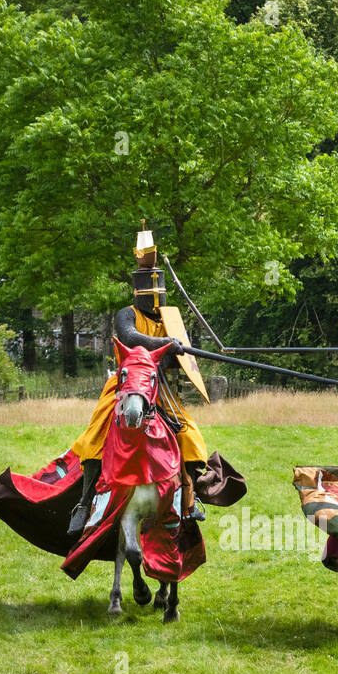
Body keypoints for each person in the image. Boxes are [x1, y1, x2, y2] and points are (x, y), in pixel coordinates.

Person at [67, 229, 211, 538]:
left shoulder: (170, 318)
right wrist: (164, 342)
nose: (154, 297)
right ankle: (84, 503)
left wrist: (177, 348)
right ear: (139, 291)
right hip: (128, 386)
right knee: (97, 435)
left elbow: (178, 357)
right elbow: (130, 339)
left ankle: (189, 498)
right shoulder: (126, 314)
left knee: (190, 435)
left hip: (160, 388)